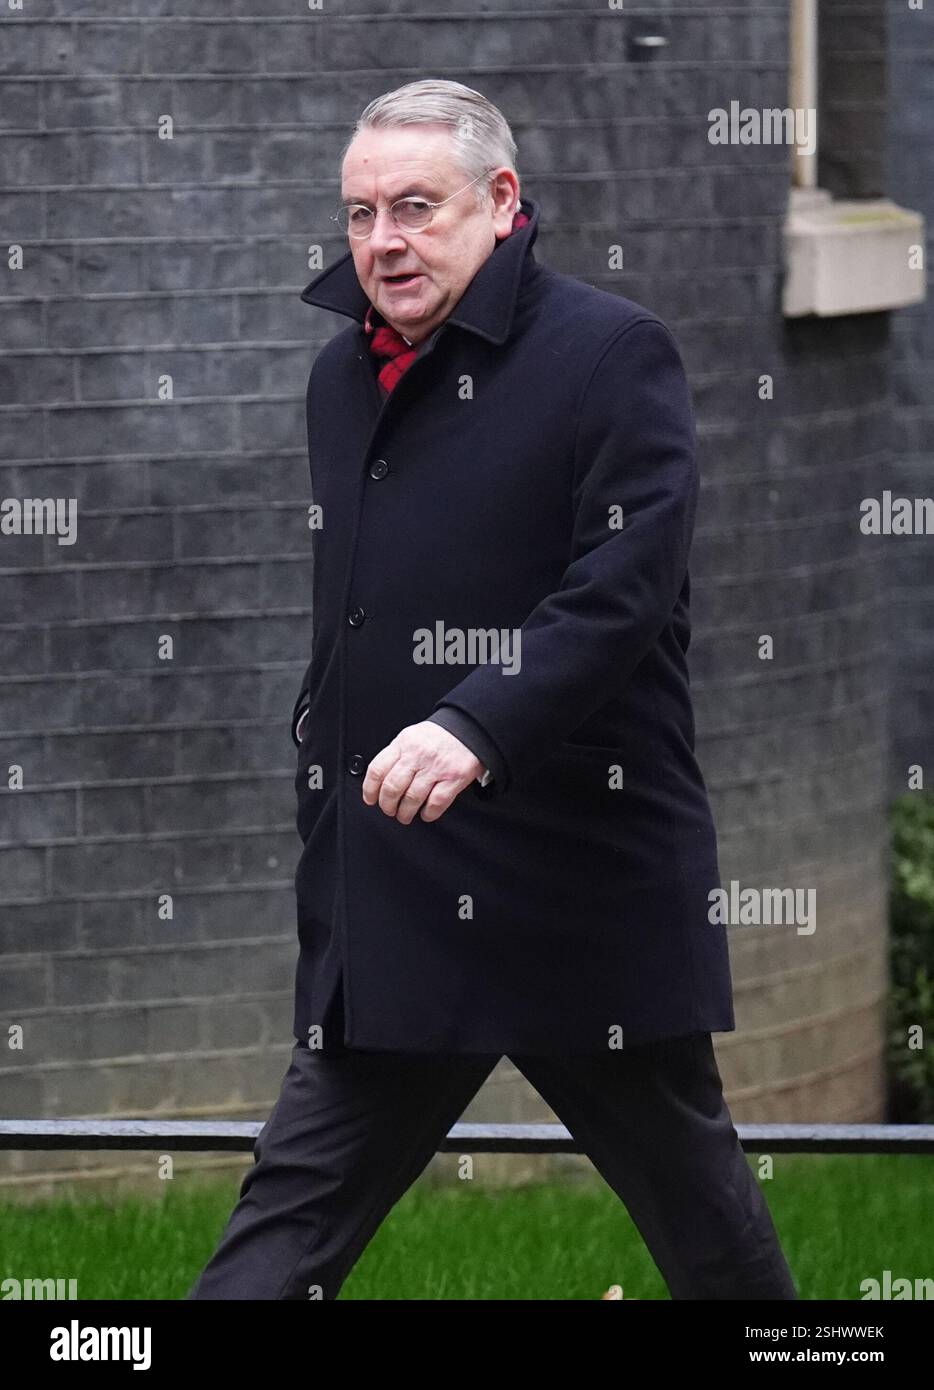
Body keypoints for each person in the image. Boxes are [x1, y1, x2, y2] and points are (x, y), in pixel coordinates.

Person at [186, 79, 799, 1301]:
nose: (382, 241)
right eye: (360, 213)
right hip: (401, 888)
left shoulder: (612, 354)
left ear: (501, 201)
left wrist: (474, 722)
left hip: (580, 883)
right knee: (283, 1227)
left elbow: (622, 588)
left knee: (708, 1232)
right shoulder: (338, 375)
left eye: (415, 207)